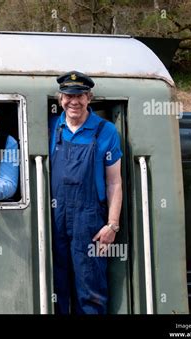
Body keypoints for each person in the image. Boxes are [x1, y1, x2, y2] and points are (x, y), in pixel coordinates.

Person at [49, 71, 123, 314]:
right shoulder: (51, 128)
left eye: (80, 95)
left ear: (89, 98)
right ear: (60, 99)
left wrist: (112, 225)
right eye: (69, 95)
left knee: (90, 288)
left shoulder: (105, 131)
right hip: (55, 216)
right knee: (56, 285)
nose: (74, 101)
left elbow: (114, 182)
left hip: (89, 219)